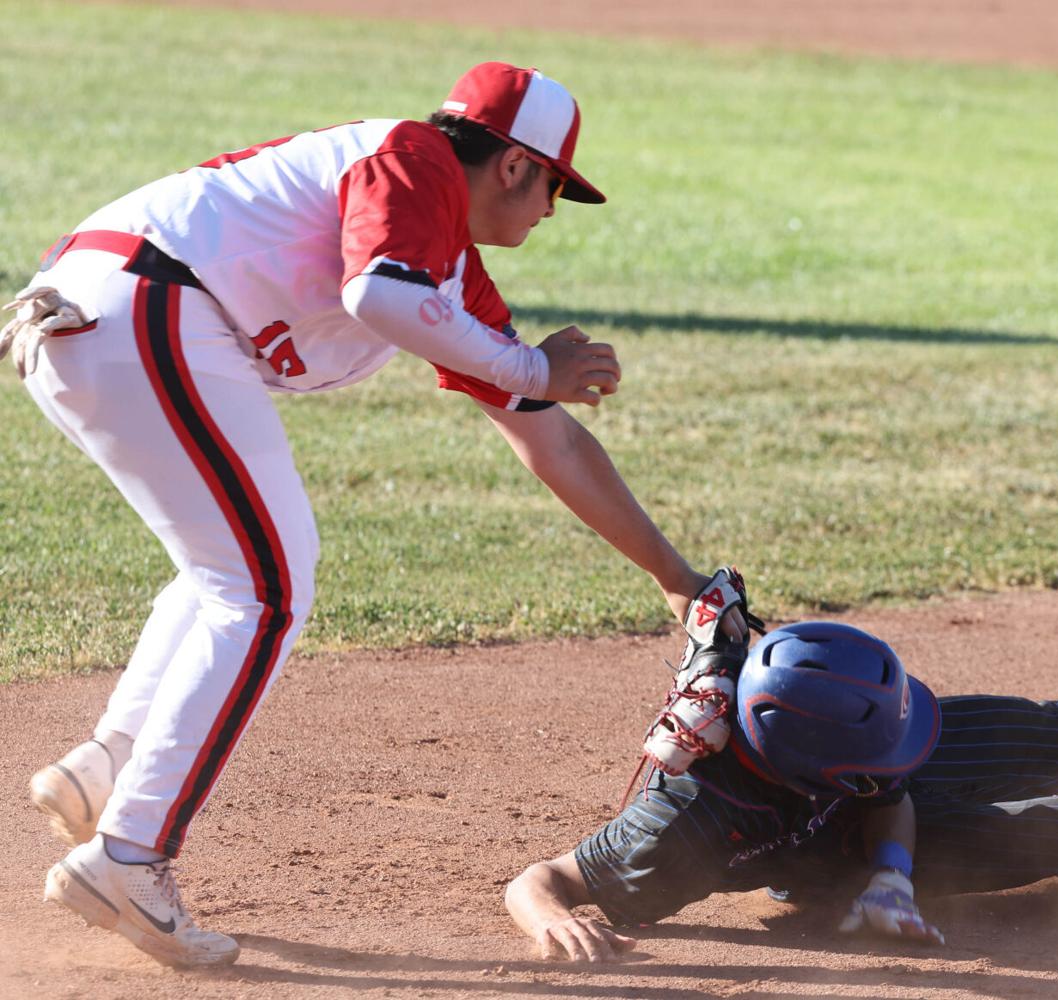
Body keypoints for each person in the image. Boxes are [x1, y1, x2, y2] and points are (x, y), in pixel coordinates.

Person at [9, 61, 744, 968]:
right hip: (141, 308)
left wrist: (674, 578)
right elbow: (380, 297)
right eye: (556, 185)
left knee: (230, 575)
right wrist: (532, 368)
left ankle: (110, 767)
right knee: (266, 591)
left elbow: (549, 440)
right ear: (513, 163)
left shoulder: (449, 265)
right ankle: (130, 857)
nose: (553, 211)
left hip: (112, 313)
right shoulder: (419, 157)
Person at [505, 621, 1058, 961]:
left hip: (853, 798)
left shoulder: (803, 696)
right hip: (823, 855)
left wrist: (897, 869)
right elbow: (539, 881)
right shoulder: (680, 828)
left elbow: (884, 777)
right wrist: (554, 922)